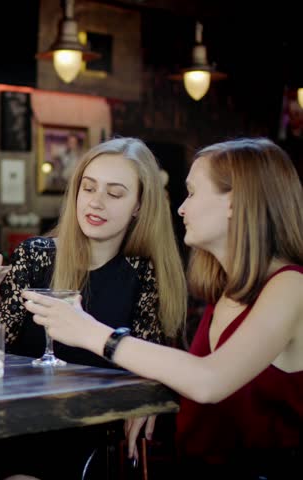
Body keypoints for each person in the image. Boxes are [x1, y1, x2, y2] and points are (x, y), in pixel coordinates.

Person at [24, 138, 303, 478]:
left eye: (193, 193)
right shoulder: (227, 289)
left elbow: (210, 380)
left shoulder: (292, 285)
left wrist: (91, 332)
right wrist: (152, 389)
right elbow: (197, 377)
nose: (182, 208)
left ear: (235, 201)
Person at [0, 137, 188, 478]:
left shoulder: (145, 274)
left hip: (80, 433)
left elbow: (156, 360)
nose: (96, 203)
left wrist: (149, 393)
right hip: (10, 420)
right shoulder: (36, 255)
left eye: (115, 193)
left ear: (139, 205)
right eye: (89, 188)